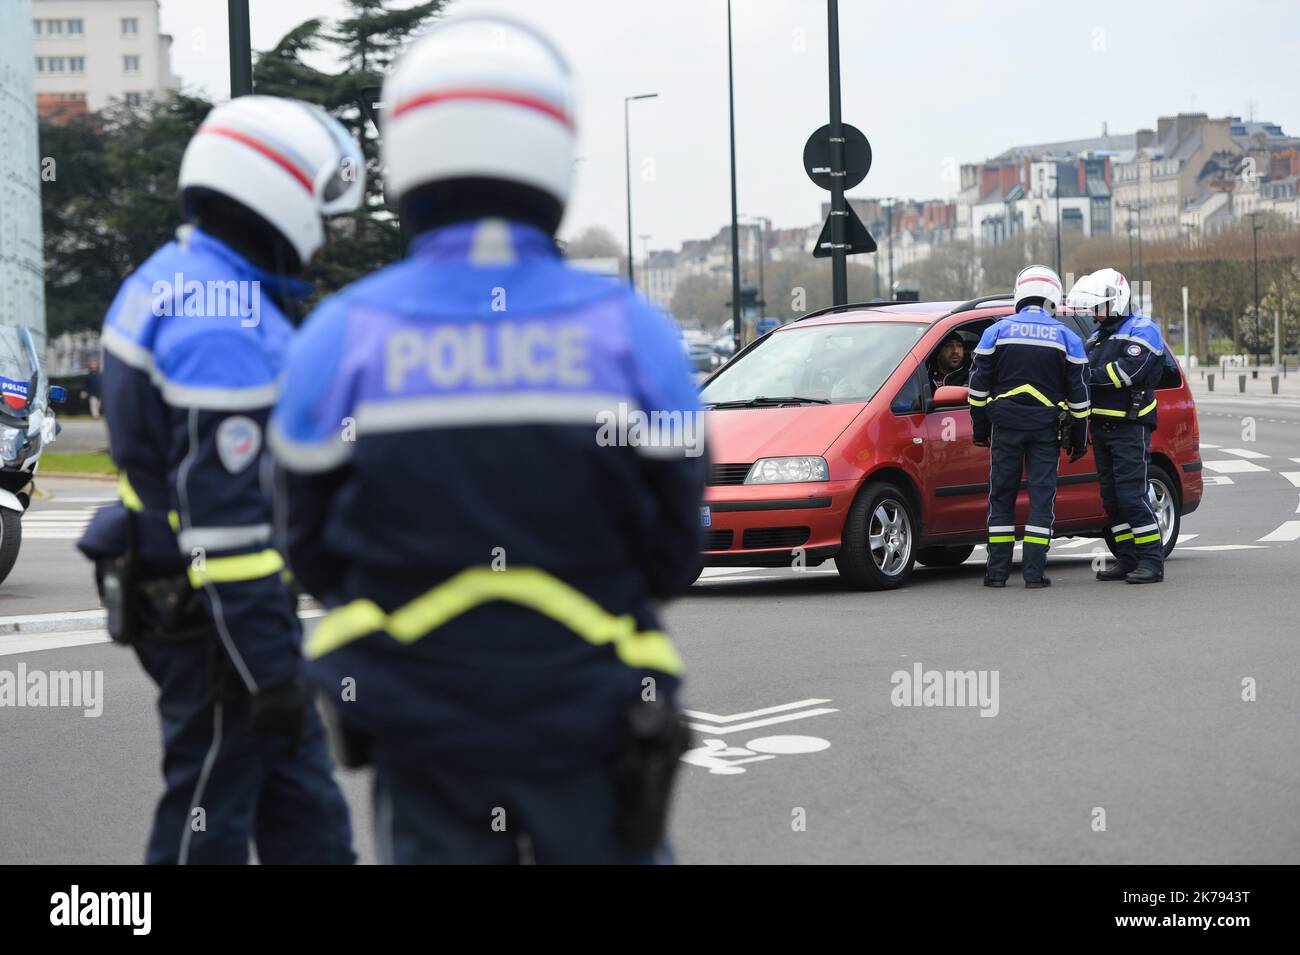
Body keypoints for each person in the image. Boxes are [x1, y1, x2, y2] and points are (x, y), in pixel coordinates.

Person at [268, 14, 704, 864]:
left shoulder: (339, 337)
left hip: (418, 723)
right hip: (596, 714)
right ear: (553, 150)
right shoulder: (633, 334)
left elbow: (309, 549)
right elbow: (676, 545)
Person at [76, 96, 364, 864]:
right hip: (216, 621)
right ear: (277, 194)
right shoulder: (224, 328)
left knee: (303, 806)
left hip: (204, 604)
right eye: (322, 212)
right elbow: (225, 531)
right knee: (207, 813)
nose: (325, 234)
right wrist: (267, 669)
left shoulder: (178, 276)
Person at [968, 265, 1090, 588]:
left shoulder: (995, 332)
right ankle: (1034, 574)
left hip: (1004, 428)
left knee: (1002, 497)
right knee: (1041, 499)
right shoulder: (1067, 337)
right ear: (1053, 297)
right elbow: (1080, 400)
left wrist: (981, 431)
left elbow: (977, 391)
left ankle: (996, 574)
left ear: (1020, 294)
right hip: (1045, 430)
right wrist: (1079, 440)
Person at [1066, 268, 1166, 584]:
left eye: (1099, 307)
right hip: (1103, 427)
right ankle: (1127, 558)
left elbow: (1128, 372)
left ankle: (1152, 562)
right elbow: (1078, 370)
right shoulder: (1096, 337)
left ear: (1117, 301)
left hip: (1129, 427)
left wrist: (1085, 377)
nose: (1095, 314)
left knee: (1132, 496)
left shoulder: (1143, 329)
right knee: (1111, 498)